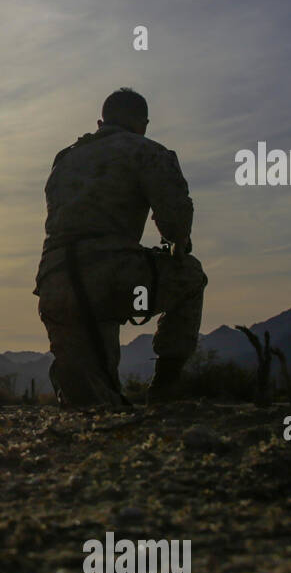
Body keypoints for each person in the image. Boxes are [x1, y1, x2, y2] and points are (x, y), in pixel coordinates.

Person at [34, 87, 207, 407]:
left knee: (95, 404)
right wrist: (175, 249)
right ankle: (166, 387)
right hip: (112, 276)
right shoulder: (147, 151)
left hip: (54, 285)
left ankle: (77, 379)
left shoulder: (65, 159)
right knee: (191, 276)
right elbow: (176, 223)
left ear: (101, 123)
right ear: (143, 123)